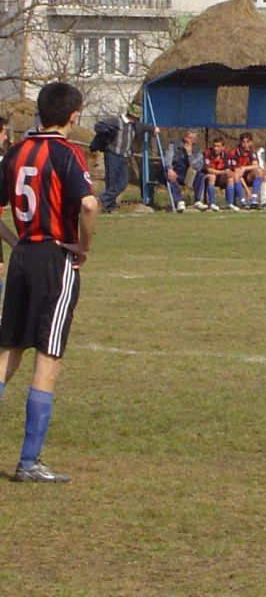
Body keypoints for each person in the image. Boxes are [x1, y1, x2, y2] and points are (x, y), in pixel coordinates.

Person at [0, 81, 98, 482]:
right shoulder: (67, 153)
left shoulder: (16, 151)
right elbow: (89, 204)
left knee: (7, 351)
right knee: (48, 353)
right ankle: (29, 462)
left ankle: (29, 461)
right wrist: (82, 246)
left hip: (22, 256)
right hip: (55, 258)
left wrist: (13, 239)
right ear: (73, 115)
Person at [98, 102, 158, 213]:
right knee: (111, 181)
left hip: (124, 157)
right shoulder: (116, 121)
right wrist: (106, 131)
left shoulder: (135, 125)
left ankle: (102, 200)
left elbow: (145, 126)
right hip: (112, 154)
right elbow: (99, 125)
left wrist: (154, 129)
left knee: (123, 182)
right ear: (131, 115)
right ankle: (110, 207)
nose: (136, 120)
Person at [163, 129, 204, 212]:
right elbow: (168, 158)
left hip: (188, 174)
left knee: (200, 175)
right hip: (176, 171)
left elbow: (198, 166)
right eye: (186, 137)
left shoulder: (197, 150)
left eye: (190, 138)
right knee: (170, 175)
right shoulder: (174, 145)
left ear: (194, 140)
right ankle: (179, 201)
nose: (187, 139)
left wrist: (189, 154)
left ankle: (198, 201)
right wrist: (170, 169)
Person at [227, 132, 266, 211]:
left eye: (248, 142)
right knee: (236, 174)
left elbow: (255, 165)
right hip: (236, 176)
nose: (246, 145)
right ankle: (243, 201)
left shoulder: (251, 151)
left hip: (247, 175)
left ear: (251, 142)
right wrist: (248, 191)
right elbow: (237, 172)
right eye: (244, 142)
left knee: (259, 171)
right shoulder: (234, 153)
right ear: (240, 142)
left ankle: (253, 200)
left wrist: (244, 168)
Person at [202, 137, 231, 212]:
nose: (215, 148)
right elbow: (208, 170)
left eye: (218, 146)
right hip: (207, 176)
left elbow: (227, 169)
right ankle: (212, 203)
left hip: (220, 177)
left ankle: (229, 203)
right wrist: (222, 172)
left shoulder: (226, 154)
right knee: (212, 176)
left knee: (230, 177)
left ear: (223, 147)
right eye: (214, 146)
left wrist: (226, 173)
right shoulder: (207, 153)